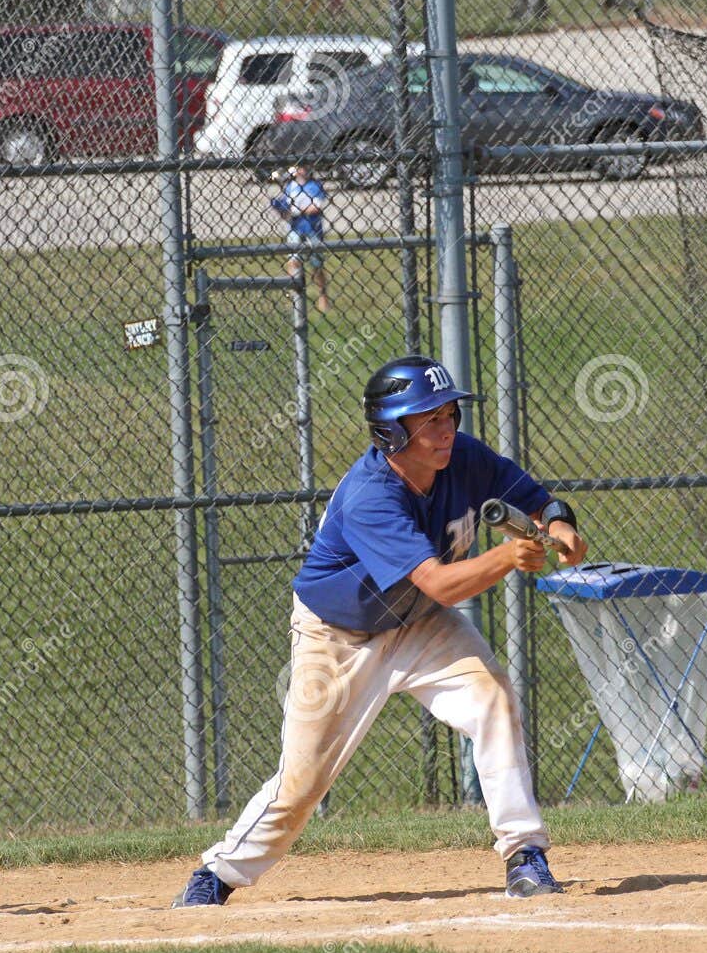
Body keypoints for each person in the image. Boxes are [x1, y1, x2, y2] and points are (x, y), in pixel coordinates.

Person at [172, 355, 589, 907]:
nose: (447, 430)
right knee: (302, 785)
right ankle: (216, 876)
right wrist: (510, 556)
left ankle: (525, 855)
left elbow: (537, 498)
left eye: (449, 415)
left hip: (416, 624)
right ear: (391, 433)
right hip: (338, 638)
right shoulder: (372, 495)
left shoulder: (462, 457)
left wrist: (560, 526)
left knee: (492, 698)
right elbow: (440, 584)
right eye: (429, 420)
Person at [275, 164, 331, 313]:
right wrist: (282, 210)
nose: (302, 170)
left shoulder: (315, 185)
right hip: (295, 228)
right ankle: (294, 298)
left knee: (316, 264)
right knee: (293, 261)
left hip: (312, 228)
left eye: (305, 167)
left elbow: (317, 206)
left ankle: (323, 296)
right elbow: (286, 209)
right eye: (299, 167)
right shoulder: (290, 187)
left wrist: (297, 211)